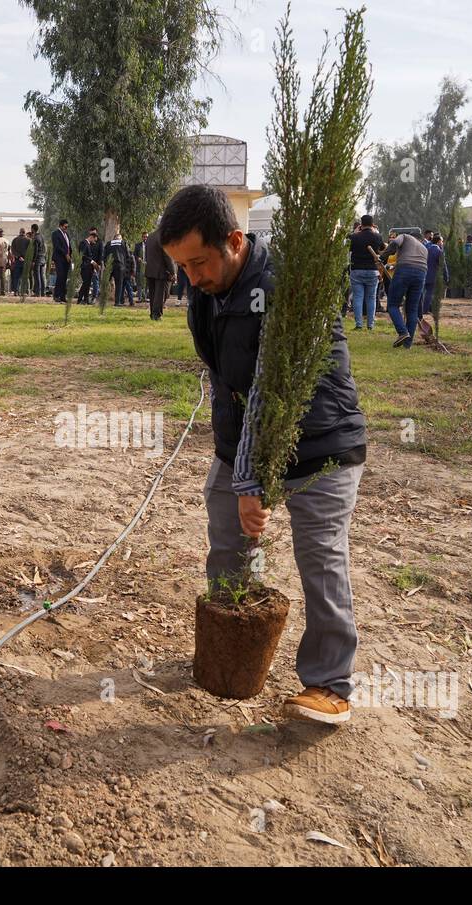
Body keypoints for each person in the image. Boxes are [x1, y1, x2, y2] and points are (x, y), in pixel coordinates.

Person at [157, 184, 367, 724]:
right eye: (181, 267)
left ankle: (329, 685)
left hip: (321, 441)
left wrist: (251, 481)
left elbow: (271, 390)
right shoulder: (205, 296)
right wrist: (236, 469)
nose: (191, 278)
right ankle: (236, 653)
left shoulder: (286, 290)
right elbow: (227, 381)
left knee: (319, 553)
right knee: (227, 533)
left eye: (199, 262)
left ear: (234, 240)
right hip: (244, 439)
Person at [380, 230, 428, 347]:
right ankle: (408, 344)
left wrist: (382, 257)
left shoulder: (405, 236)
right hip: (421, 274)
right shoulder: (424, 248)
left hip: (404, 270)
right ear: (420, 239)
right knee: (412, 310)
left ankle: (402, 332)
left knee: (393, 305)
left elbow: (395, 243)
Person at [347, 215, 384, 331]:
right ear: (373, 224)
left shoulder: (355, 237)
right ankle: (370, 324)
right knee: (371, 297)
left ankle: (358, 324)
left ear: (361, 225)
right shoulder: (377, 236)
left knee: (358, 297)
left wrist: (354, 232)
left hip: (357, 269)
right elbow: (382, 248)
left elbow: (349, 248)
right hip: (373, 270)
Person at [76, 228, 101, 304]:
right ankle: (80, 299)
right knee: (85, 283)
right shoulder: (84, 243)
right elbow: (82, 255)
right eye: (94, 240)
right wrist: (92, 261)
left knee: (87, 284)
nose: (94, 242)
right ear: (92, 237)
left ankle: (86, 300)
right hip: (85, 267)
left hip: (89, 268)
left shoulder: (88, 244)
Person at [105, 230, 130, 306]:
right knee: (119, 284)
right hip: (120, 266)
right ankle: (117, 302)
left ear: (114, 238)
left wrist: (106, 264)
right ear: (120, 238)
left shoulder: (109, 243)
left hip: (110, 265)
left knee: (106, 283)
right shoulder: (123, 243)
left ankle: (102, 299)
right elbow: (128, 255)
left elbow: (104, 254)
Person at [51, 219, 72, 302]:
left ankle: (63, 296)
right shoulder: (55, 234)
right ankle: (56, 295)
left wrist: (70, 254)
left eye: (67, 227)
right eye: (65, 227)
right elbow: (57, 246)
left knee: (64, 277)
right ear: (60, 226)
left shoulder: (66, 234)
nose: (66, 228)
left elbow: (68, 246)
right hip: (59, 258)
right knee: (60, 276)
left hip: (66, 259)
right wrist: (65, 254)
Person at [10, 226, 30, 295]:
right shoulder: (28, 240)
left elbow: (13, 250)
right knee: (25, 277)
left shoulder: (15, 240)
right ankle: (25, 291)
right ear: (25, 233)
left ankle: (16, 291)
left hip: (17, 260)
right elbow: (29, 251)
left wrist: (18, 257)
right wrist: (25, 258)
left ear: (20, 232)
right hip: (25, 261)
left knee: (16, 277)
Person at [28, 224, 47, 296]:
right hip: (43, 258)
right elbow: (44, 248)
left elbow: (35, 250)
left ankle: (38, 293)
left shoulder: (35, 238)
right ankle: (43, 292)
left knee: (37, 276)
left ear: (32, 229)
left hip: (37, 259)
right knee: (42, 276)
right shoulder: (42, 237)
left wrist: (33, 260)